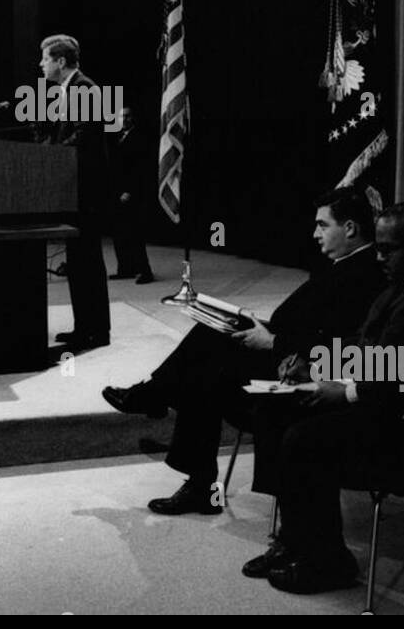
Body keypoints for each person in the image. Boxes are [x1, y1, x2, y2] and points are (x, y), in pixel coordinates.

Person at [102, 187, 385, 516]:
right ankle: (165, 414)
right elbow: (306, 320)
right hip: (286, 348)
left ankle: (162, 409)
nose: (314, 233)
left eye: (323, 225)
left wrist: (274, 341)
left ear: (350, 228)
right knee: (209, 350)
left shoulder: (368, 274)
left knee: (207, 357)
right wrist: (262, 326)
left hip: (307, 370)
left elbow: (351, 349)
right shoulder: (341, 263)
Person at [253, 202, 404, 594]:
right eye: (377, 248)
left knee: (305, 438)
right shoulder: (403, 282)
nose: (378, 257)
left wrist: (347, 393)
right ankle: (296, 539)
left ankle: (328, 563)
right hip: (385, 402)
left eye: (386, 249)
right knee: (278, 408)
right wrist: (317, 366)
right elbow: (370, 348)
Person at [39, 35, 112, 353]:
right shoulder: (70, 88)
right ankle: (85, 327)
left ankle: (96, 331)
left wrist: (51, 155)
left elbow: (84, 139)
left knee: (87, 261)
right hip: (76, 189)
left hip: (87, 191)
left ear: (60, 61)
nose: (40, 64)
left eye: (44, 58)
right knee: (79, 261)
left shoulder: (84, 88)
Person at [108, 106, 154, 284]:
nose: (124, 119)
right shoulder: (116, 138)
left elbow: (140, 170)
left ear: (133, 118)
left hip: (132, 195)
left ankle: (145, 271)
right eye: (121, 116)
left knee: (135, 235)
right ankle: (125, 268)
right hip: (116, 194)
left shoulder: (139, 139)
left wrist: (129, 191)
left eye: (127, 116)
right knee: (119, 234)